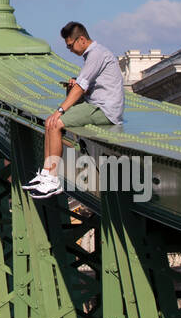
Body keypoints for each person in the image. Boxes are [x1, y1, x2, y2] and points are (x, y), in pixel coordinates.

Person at [24, 21, 125, 199]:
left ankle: (53, 180)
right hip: (96, 103)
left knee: (55, 123)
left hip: (103, 109)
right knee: (49, 122)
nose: (70, 50)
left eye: (70, 46)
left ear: (82, 39)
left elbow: (80, 87)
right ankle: (46, 174)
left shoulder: (96, 54)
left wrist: (60, 110)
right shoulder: (94, 54)